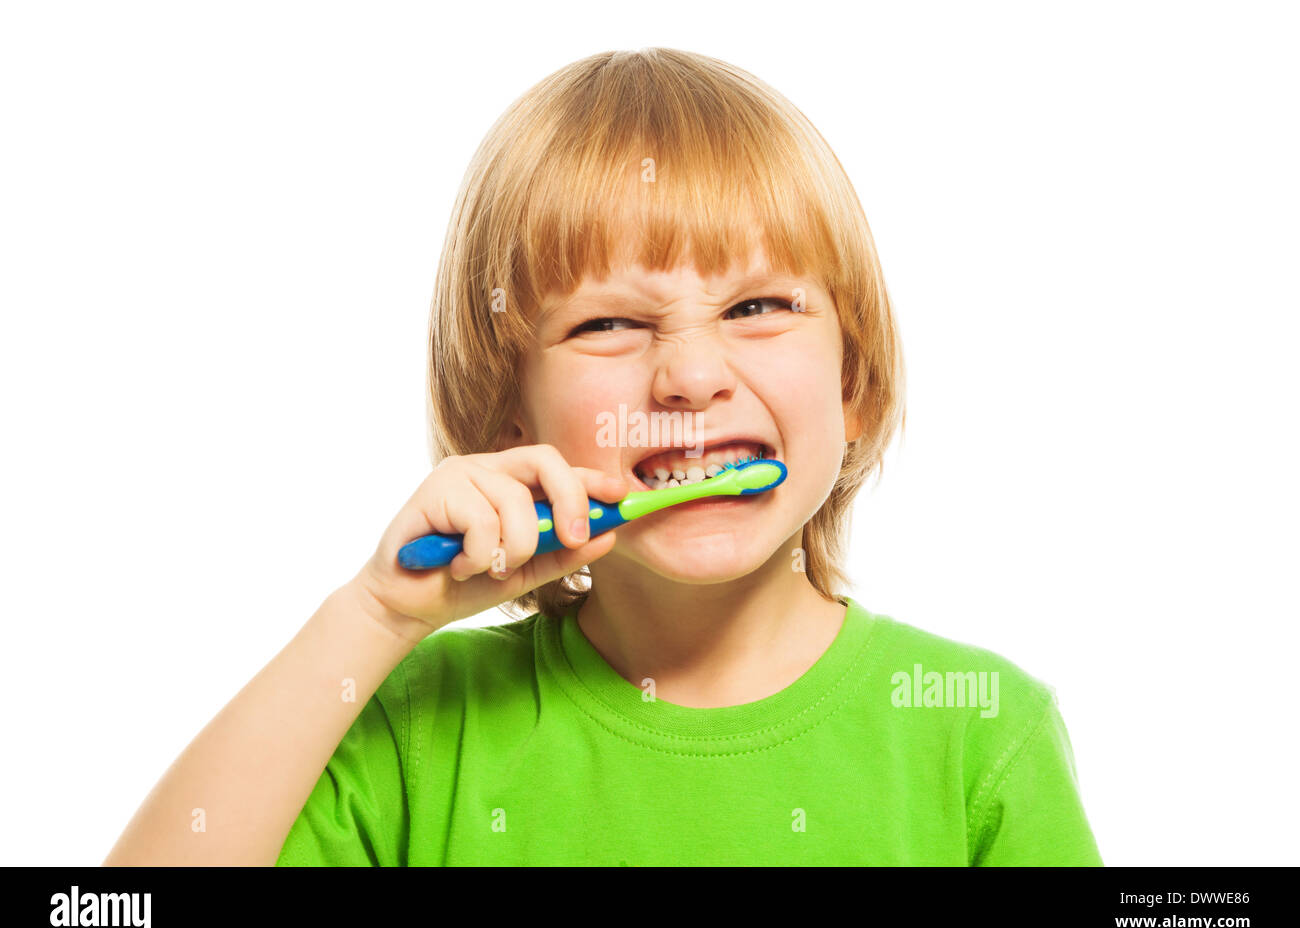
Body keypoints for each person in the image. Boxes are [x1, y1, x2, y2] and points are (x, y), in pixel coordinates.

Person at [104, 47, 1102, 867]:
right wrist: (370, 617)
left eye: (757, 307)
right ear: (506, 424)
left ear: (856, 386)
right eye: (610, 322)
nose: (691, 374)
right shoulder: (418, 723)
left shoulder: (979, 732)